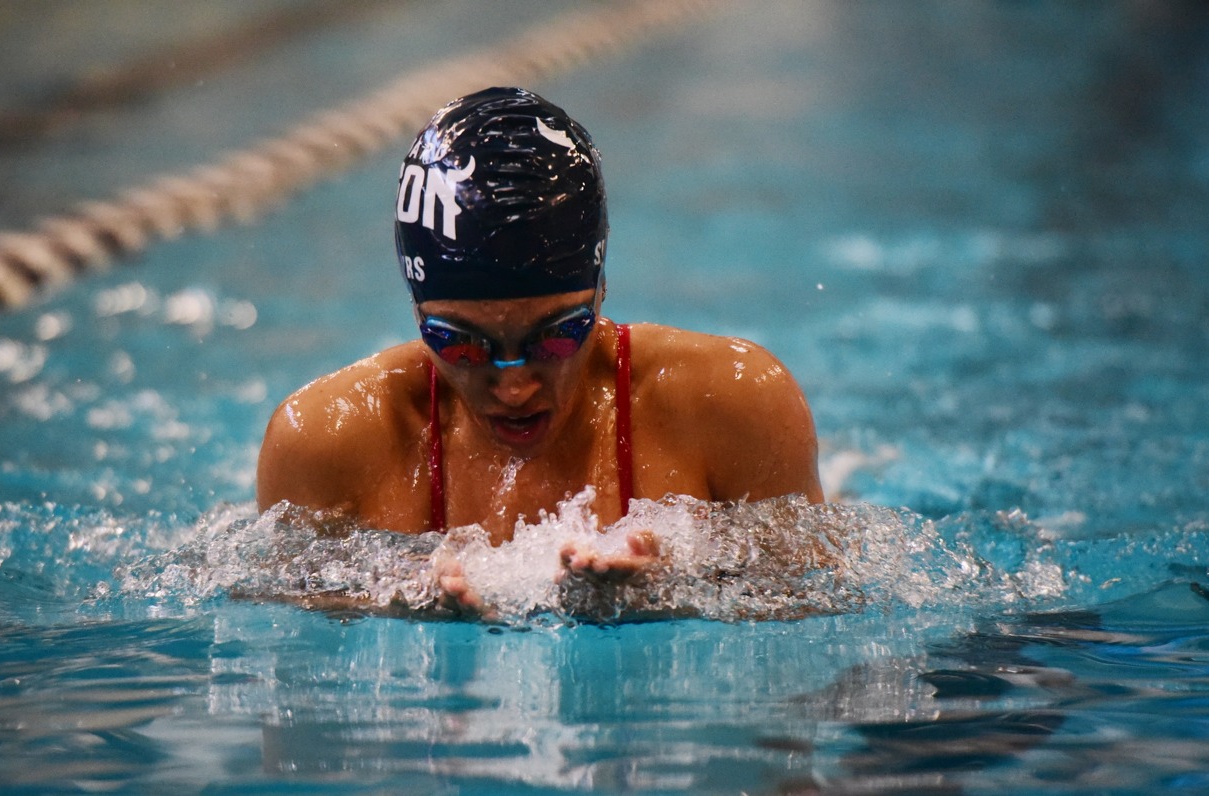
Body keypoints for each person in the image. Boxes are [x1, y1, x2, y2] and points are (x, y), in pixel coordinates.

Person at [256, 87, 823, 593]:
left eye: (555, 338)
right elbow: (275, 635)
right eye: (462, 345)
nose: (514, 385)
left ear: (600, 291)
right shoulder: (324, 444)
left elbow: (823, 611)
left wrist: (681, 594)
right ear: (416, 311)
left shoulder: (734, 406)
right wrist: (377, 605)